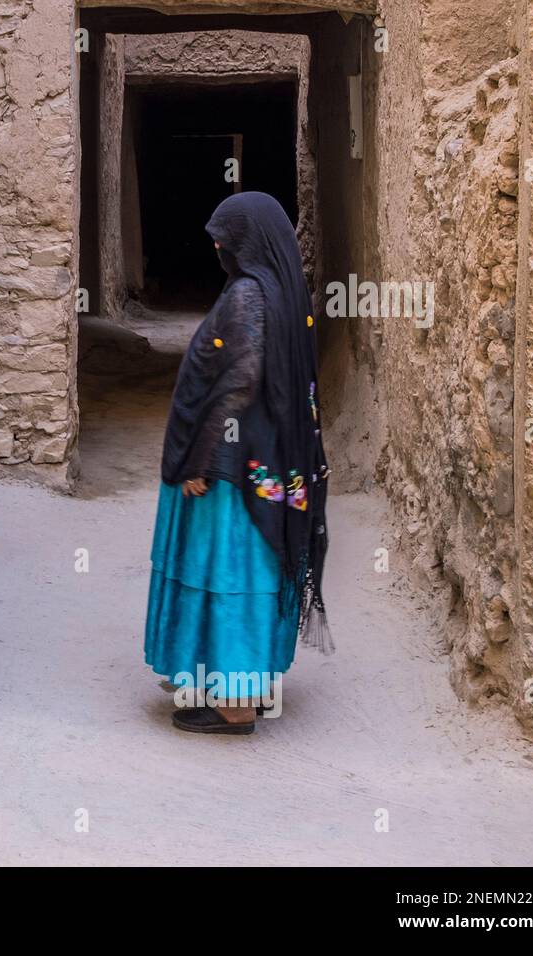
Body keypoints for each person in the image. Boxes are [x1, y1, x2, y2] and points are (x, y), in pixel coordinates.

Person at [145, 191, 332, 736]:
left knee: (225, 573)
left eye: (225, 239)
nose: (219, 247)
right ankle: (231, 679)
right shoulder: (281, 293)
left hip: (234, 471)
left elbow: (240, 380)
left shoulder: (248, 295)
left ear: (246, 241)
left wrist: (204, 457)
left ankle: (234, 706)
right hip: (271, 464)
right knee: (251, 574)